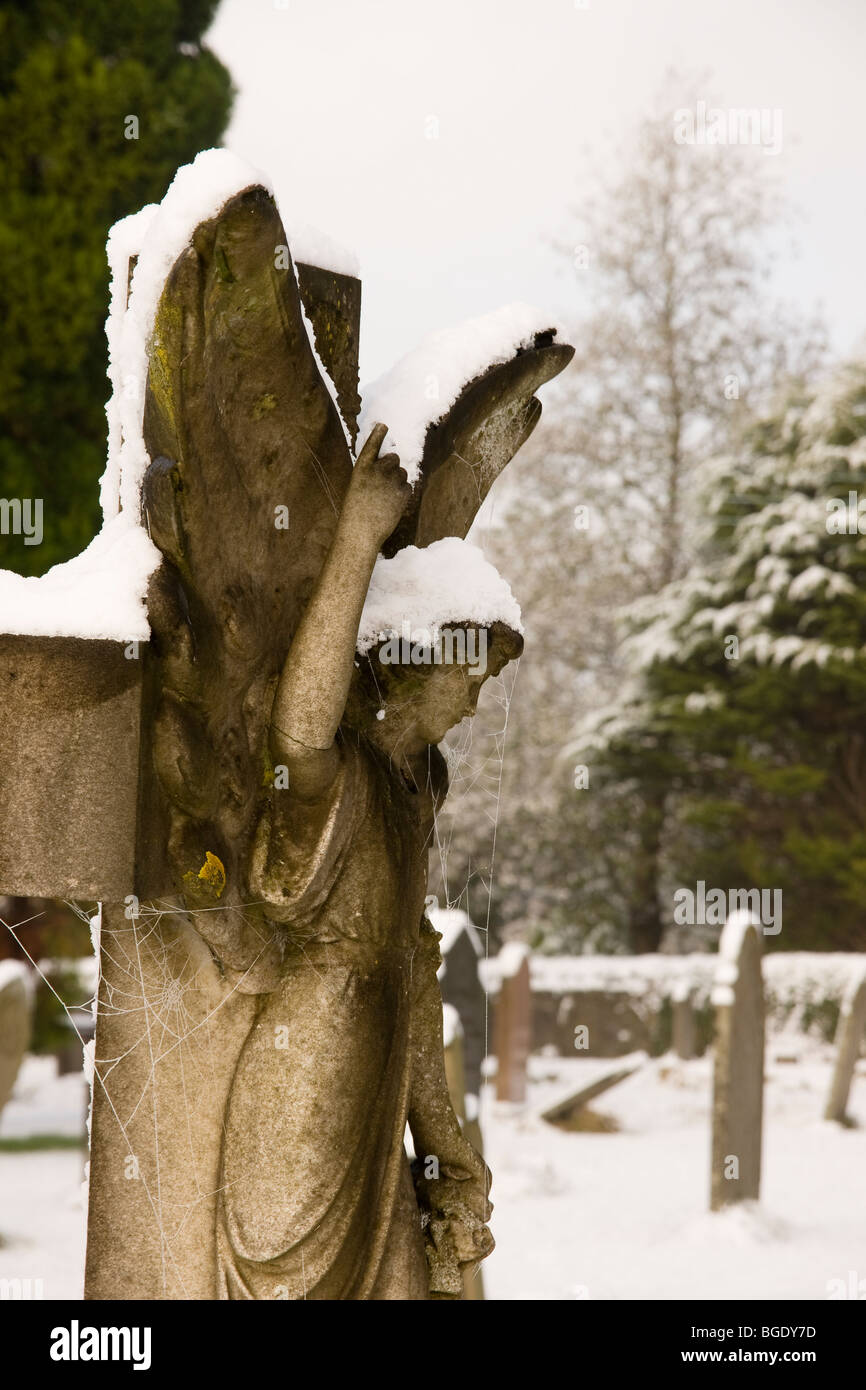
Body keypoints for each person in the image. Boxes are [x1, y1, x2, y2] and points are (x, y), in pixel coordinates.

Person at [216, 424, 522, 1299]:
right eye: (470, 675)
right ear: (419, 663)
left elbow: (414, 986)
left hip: (376, 1077)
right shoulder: (341, 779)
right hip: (304, 1082)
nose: (473, 700)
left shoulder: (408, 796)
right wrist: (354, 539)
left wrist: (447, 1137)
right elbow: (297, 730)